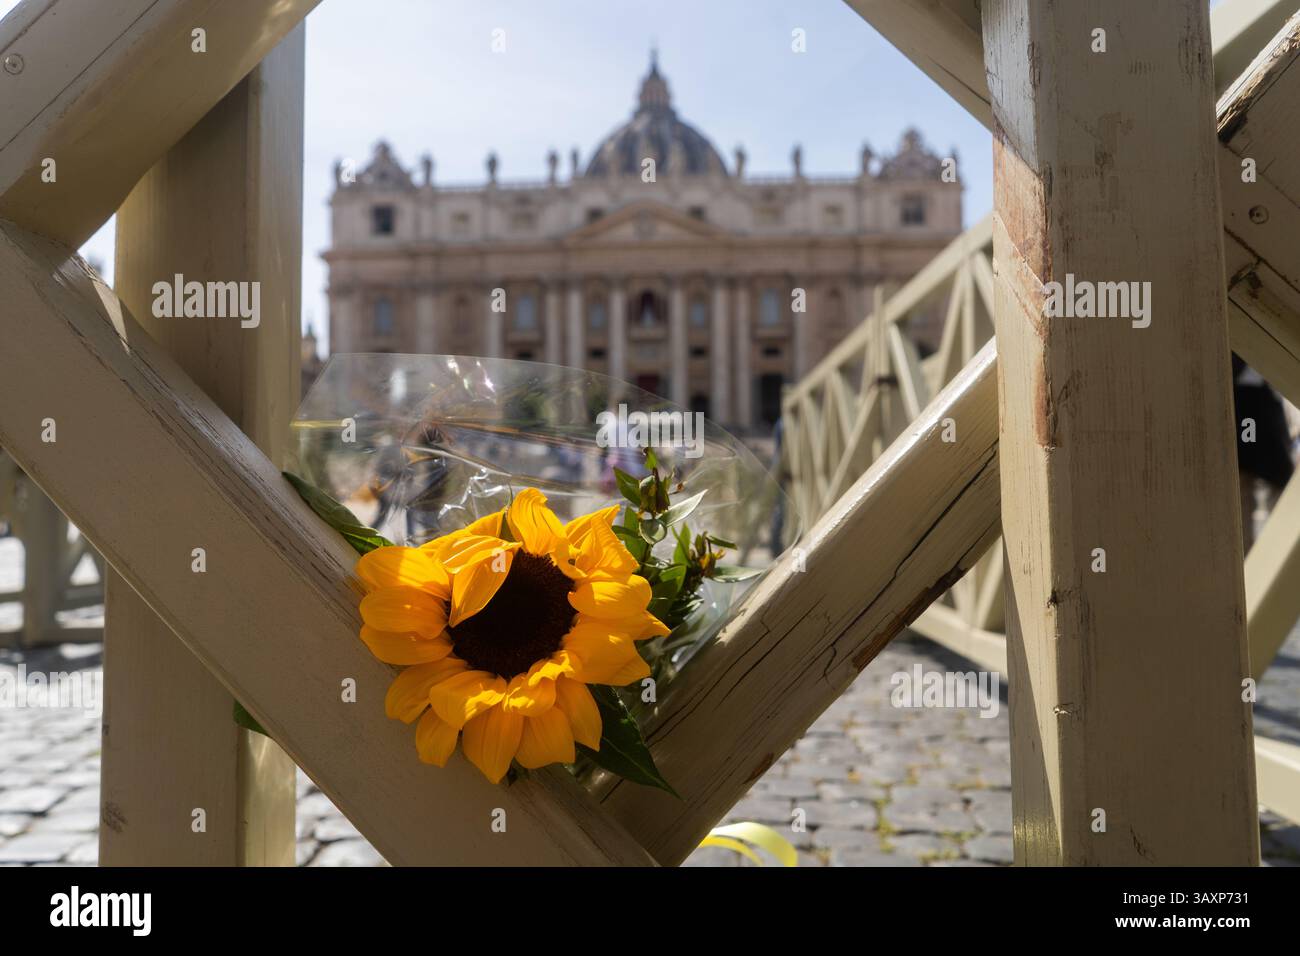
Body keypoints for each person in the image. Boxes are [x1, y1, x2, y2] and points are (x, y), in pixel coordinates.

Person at [1233, 355, 1294, 551]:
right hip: (1244, 404)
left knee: (1281, 488)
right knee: (1240, 496)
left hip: (1264, 406)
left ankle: (1277, 552)